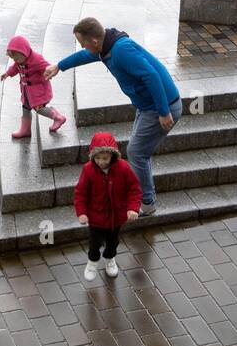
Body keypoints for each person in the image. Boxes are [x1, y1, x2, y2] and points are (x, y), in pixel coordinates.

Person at [45, 17, 182, 216]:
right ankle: (142, 194)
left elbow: (151, 75)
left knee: (136, 152)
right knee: (139, 152)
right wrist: (59, 66)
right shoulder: (105, 46)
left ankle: (147, 202)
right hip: (147, 106)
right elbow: (85, 56)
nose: (82, 47)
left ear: (93, 41)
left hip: (161, 107)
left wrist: (163, 111)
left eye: (83, 42)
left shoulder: (120, 50)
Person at [75, 132, 141, 280]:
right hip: (96, 216)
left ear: (112, 155)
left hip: (116, 217)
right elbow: (81, 193)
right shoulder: (88, 170)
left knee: (113, 241)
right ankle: (92, 261)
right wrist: (82, 212)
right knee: (94, 242)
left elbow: (134, 189)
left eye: (105, 158)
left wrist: (132, 208)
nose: (101, 162)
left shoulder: (123, 168)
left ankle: (110, 258)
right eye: (97, 158)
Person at [2, 35, 66, 139]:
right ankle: (25, 130)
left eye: (17, 58)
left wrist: (48, 73)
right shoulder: (19, 60)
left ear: (24, 52)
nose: (16, 61)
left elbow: (47, 67)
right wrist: (8, 73)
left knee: (39, 109)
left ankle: (57, 117)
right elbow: (15, 67)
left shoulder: (36, 59)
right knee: (25, 108)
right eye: (14, 59)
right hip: (26, 91)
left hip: (38, 91)